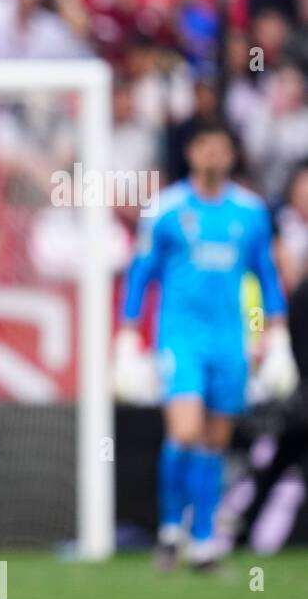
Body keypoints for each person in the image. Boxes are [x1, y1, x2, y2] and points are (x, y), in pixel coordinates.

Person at [116, 122, 297, 569]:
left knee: (215, 441)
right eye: (205, 148)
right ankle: (172, 526)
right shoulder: (167, 210)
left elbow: (266, 276)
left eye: (222, 148)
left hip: (230, 340)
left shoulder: (250, 213)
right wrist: (125, 335)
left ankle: (201, 537)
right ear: (193, 153)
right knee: (183, 430)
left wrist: (278, 337)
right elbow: (141, 274)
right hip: (180, 338)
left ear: (231, 155)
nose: (213, 156)